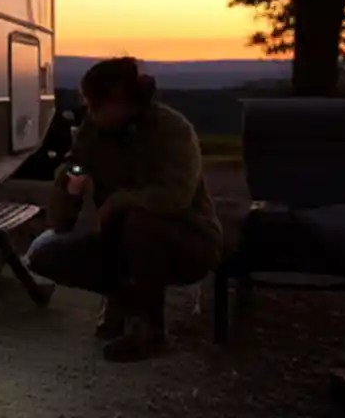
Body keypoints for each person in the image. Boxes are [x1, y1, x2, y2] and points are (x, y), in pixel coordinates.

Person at [25, 57, 223, 362]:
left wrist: (118, 202)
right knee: (43, 252)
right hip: (121, 240)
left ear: (118, 100)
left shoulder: (172, 130)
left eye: (95, 104)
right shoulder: (94, 133)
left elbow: (175, 197)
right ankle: (122, 296)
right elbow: (62, 219)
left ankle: (148, 327)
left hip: (188, 240)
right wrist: (68, 185)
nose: (90, 112)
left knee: (140, 222)